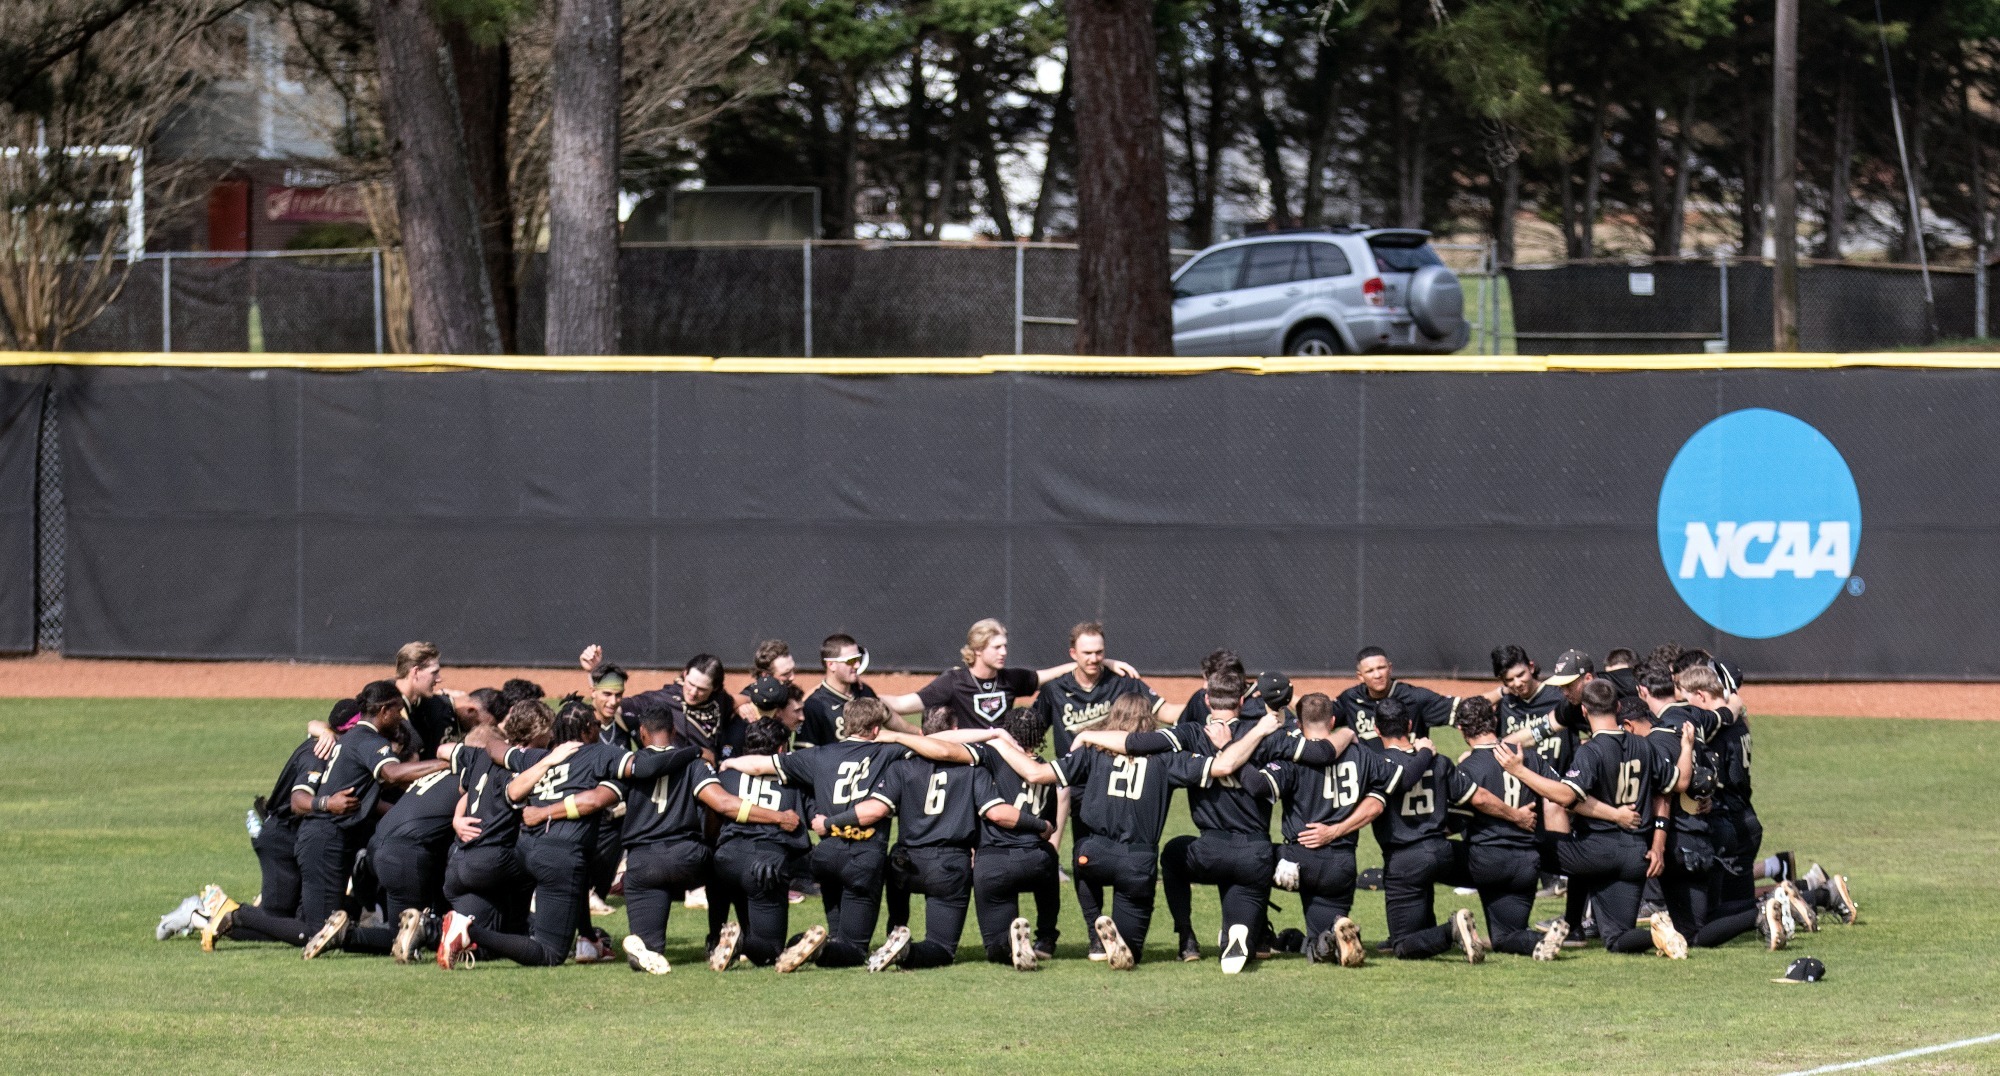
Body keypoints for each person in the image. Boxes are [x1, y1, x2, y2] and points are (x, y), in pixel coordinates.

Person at [202, 681, 448, 956]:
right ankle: (237, 915)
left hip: (325, 838)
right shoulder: (369, 740)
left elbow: (385, 787)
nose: (400, 718)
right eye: (398, 711)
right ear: (384, 710)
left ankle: (229, 923)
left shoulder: (353, 738)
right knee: (317, 931)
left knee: (309, 924)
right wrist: (448, 761)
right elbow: (391, 773)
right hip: (325, 839)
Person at [840, 709, 1054, 972]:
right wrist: (1042, 826)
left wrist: (829, 822)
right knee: (941, 947)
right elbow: (994, 811)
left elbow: (877, 808)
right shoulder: (973, 770)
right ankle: (908, 952)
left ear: (921, 732)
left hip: (905, 862)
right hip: (949, 865)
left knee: (897, 900)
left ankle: (895, 936)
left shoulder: (900, 766)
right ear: (955, 733)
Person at [719, 697, 921, 968]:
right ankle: (817, 949)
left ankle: (810, 945)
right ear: (875, 730)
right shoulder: (889, 752)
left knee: (838, 936)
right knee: (854, 949)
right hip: (863, 855)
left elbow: (761, 765)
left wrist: (731, 764)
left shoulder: (818, 755)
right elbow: (943, 746)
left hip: (826, 857)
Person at [1499, 679, 1690, 957]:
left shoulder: (1591, 750)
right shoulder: (1644, 746)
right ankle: (1658, 933)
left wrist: (1519, 771)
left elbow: (1566, 797)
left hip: (1596, 851)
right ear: (1618, 706)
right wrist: (1686, 746)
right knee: (1617, 939)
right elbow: (1680, 782)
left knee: (1527, 846)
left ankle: (1514, 927)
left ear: (1585, 712)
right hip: (1635, 855)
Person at [615, 704, 800, 974]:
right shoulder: (693, 764)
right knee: (720, 864)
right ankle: (718, 936)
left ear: (642, 733)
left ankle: (644, 950)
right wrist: (778, 817)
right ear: (674, 731)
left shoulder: (630, 765)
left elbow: (599, 800)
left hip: (643, 863)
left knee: (649, 945)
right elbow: (724, 804)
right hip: (687, 858)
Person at [162, 701, 353, 944]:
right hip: (282, 841)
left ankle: (216, 913)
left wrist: (323, 729)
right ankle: (201, 914)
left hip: (296, 837)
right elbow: (299, 802)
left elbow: (315, 724)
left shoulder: (336, 744)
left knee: (291, 923)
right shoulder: (321, 752)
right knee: (274, 923)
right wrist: (328, 804)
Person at [1451, 696, 1611, 960]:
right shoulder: (1530, 759)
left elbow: (1457, 820)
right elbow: (1565, 795)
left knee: (1418, 865)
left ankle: (1431, 931)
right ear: (1495, 722)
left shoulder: (1467, 768)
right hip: (1527, 863)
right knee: (1507, 935)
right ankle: (1543, 940)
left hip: (1487, 861)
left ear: (1460, 730)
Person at [1370, 698, 1524, 963]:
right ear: (1408, 725)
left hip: (1405, 860)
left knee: (1403, 945)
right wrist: (1516, 815)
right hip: (1442, 853)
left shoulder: (1376, 763)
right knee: (1422, 929)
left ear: (1376, 729)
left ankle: (1452, 929)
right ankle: (1491, 929)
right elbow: (1479, 799)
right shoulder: (1439, 761)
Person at [1263, 692, 1388, 966]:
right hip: (1341, 865)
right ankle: (1331, 935)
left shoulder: (1293, 755)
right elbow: (1377, 805)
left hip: (1297, 860)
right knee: (1322, 943)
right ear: (1332, 721)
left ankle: (1259, 935)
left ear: (1298, 724)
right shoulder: (1362, 754)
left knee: (1247, 860)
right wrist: (1336, 830)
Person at [707, 718, 823, 970]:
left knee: (726, 886)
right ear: (782, 750)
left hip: (726, 858)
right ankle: (742, 943)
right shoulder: (796, 778)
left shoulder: (726, 774)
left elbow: (711, 819)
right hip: (765, 863)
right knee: (769, 952)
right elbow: (814, 819)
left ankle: (717, 938)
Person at [881, 618, 1133, 729]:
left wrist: (1105, 662)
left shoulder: (1011, 679)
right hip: (967, 764)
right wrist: (861, 695)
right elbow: (903, 704)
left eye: (1005, 645)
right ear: (978, 649)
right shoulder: (954, 681)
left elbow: (1052, 673)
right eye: (997, 647)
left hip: (1003, 763)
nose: (1004, 651)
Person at [439, 701, 549, 940]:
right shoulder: (526, 763)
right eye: (548, 731)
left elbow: (444, 753)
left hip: (458, 859)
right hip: (490, 862)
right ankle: (530, 933)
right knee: (538, 863)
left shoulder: (481, 755)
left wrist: (457, 818)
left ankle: (427, 930)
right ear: (539, 732)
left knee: (476, 937)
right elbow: (516, 793)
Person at [1033, 622, 1162, 756]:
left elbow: (1163, 711)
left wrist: (1186, 710)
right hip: (1072, 771)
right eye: (1087, 653)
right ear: (1073, 653)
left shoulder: (1122, 682)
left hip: (1111, 769)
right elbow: (1030, 733)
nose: (1093, 659)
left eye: (1099, 652)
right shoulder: (1054, 690)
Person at [1334, 647, 1458, 748]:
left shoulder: (1415, 698)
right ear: (1360, 676)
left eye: (1381, 668)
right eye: (1370, 671)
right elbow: (1318, 720)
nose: (1377, 675)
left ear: (1390, 668)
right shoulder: (1350, 699)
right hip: (1370, 775)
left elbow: (1463, 711)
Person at [1491, 644, 1574, 770]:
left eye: (1520, 675)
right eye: (1509, 680)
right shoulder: (1505, 705)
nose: (1517, 683)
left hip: (1558, 782)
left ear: (1531, 667)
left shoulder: (1559, 698)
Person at [735, 640, 797, 721]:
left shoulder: (790, 691)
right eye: (785, 674)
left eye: (793, 670)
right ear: (765, 675)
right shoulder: (749, 699)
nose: (793, 677)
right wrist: (738, 708)